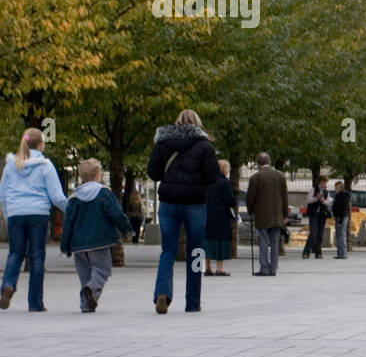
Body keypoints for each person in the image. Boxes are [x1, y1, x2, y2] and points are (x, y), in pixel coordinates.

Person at [147, 110, 220, 311]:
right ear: (198, 124)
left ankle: (162, 292)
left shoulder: (163, 143)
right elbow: (213, 176)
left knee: (168, 250)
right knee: (196, 251)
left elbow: (153, 172)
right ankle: (193, 302)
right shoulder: (205, 146)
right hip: (195, 203)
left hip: (168, 202)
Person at [0, 127, 68, 312]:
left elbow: (3, 195)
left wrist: (8, 215)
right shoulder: (45, 165)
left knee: (15, 253)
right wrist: (71, 209)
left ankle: (7, 285)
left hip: (15, 212)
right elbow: (56, 196)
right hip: (38, 213)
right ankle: (35, 303)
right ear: (41, 144)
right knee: (37, 256)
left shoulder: (10, 165)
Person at [59, 158, 133, 313]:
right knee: (103, 269)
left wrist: (65, 246)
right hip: (100, 241)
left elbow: (68, 224)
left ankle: (86, 304)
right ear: (98, 175)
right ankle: (92, 289)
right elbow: (116, 214)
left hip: (78, 245)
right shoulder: (104, 193)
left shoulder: (73, 198)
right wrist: (127, 229)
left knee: (84, 275)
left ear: (81, 177)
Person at [244, 151, 289, 281]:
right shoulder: (280, 176)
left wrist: (250, 210)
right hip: (277, 215)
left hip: (262, 215)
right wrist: (285, 214)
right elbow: (284, 196)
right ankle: (273, 268)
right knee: (275, 242)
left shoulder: (256, 178)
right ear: (269, 162)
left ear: (258, 164)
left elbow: (250, 198)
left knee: (263, 241)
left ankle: (264, 268)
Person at [204, 159, 236, 276]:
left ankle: (207, 267)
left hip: (207, 215)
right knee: (220, 241)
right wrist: (233, 201)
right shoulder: (224, 183)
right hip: (221, 216)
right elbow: (229, 200)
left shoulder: (207, 181)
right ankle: (219, 268)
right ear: (224, 169)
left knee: (208, 240)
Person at [303, 177, 330, 259]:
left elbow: (328, 202)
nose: (325, 185)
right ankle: (306, 252)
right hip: (314, 214)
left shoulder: (326, 192)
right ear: (320, 182)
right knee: (313, 233)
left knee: (320, 234)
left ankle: (318, 252)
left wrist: (323, 201)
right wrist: (316, 198)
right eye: (324, 183)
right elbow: (308, 200)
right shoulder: (313, 189)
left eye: (326, 183)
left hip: (322, 214)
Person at [331, 180, 351, 258]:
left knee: (341, 236)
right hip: (340, 217)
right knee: (339, 236)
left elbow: (344, 209)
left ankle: (343, 254)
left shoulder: (342, 196)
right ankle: (340, 254)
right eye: (335, 187)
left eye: (337, 187)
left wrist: (340, 221)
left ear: (341, 188)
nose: (335, 189)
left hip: (341, 218)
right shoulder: (340, 195)